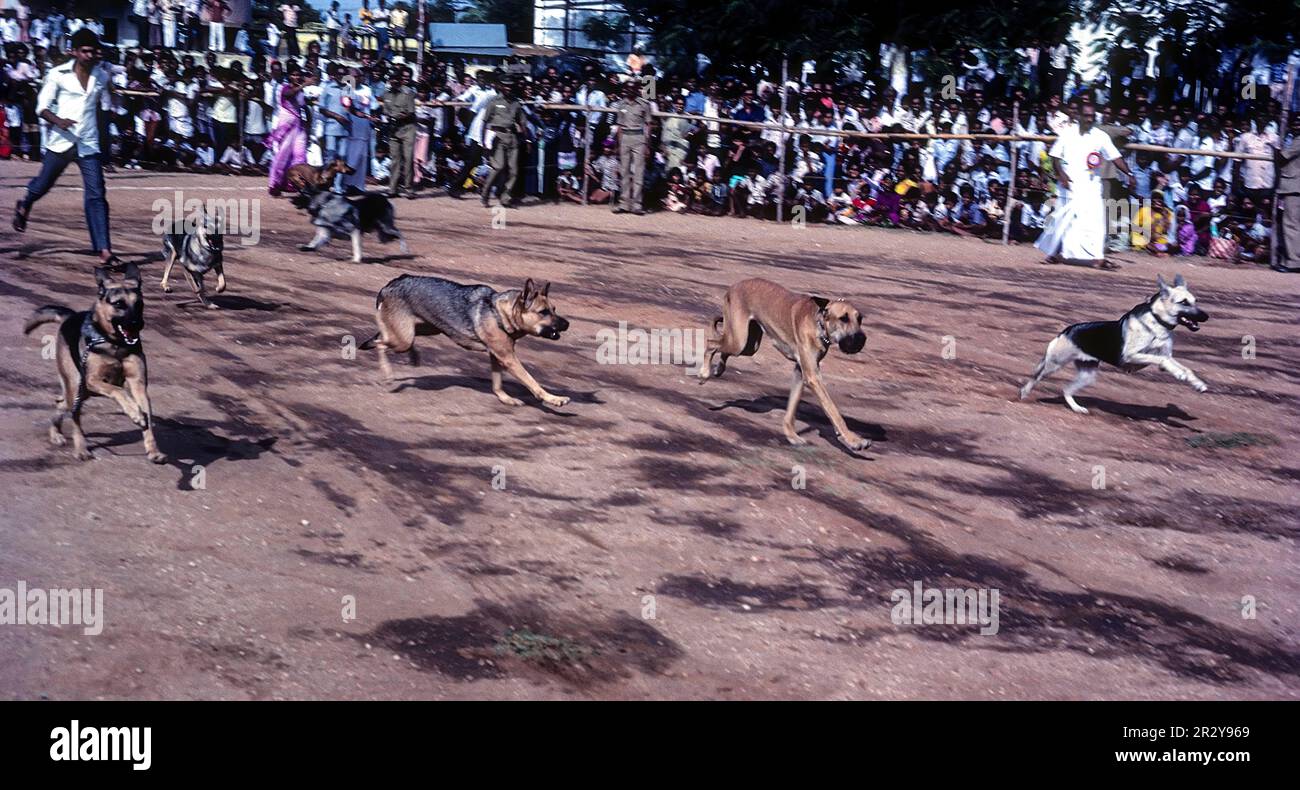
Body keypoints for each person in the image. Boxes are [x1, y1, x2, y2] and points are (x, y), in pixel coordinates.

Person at [12, 28, 119, 266]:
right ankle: (26, 203)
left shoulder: (101, 76)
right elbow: (42, 107)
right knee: (43, 185)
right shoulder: (58, 74)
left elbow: (105, 109)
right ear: (74, 52)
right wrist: (58, 121)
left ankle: (104, 250)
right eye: (85, 51)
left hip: (88, 143)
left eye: (93, 51)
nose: (90, 56)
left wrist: (106, 145)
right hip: (61, 141)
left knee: (97, 195)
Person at [1035, 97, 1134, 270]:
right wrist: (1062, 175)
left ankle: (1098, 258)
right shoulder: (1068, 133)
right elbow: (1055, 157)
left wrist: (1129, 173)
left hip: (1092, 186)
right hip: (1069, 185)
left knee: (1096, 221)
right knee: (1063, 219)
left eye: (1092, 116)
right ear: (1078, 115)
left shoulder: (1100, 136)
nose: (1089, 119)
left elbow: (1115, 157)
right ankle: (1055, 253)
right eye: (1086, 116)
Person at [267, 63, 313, 195]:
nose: (296, 77)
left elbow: (304, 107)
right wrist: (304, 84)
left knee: (300, 155)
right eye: (293, 75)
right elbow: (289, 95)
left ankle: (296, 183)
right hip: (286, 125)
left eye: (298, 75)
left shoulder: (301, 91)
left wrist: (308, 122)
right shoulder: (284, 87)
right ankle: (275, 184)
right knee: (282, 155)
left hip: (298, 125)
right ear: (289, 76)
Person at [610, 79, 654, 214]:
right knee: (624, 171)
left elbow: (648, 125)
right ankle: (624, 204)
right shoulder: (621, 104)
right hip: (625, 138)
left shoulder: (644, 104)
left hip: (639, 137)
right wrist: (617, 144)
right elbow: (620, 127)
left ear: (637, 89)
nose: (630, 90)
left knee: (639, 172)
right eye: (627, 88)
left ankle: (637, 204)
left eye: (632, 88)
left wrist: (647, 144)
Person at [479, 75, 524, 208]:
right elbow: (484, 122)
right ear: (500, 86)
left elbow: (522, 121)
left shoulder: (516, 103)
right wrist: (483, 142)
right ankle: (485, 193)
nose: (508, 88)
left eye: (510, 85)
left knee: (514, 171)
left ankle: (505, 197)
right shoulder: (494, 102)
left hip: (513, 138)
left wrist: (525, 139)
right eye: (505, 85)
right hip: (498, 136)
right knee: (498, 167)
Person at [382, 66, 417, 198]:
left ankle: (409, 188)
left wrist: (397, 117)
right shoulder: (386, 94)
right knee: (395, 159)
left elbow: (410, 112)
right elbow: (385, 111)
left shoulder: (408, 93)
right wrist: (388, 118)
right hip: (393, 130)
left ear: (400, 80)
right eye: (391, 79)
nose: (393, 81)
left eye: (396, 79)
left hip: (407, 129)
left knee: (408, 159)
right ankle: (393, 188)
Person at [1274, 137, 1300, 273]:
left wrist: (1275, 150)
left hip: (1295, 187)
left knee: (1291, 224)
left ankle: (1294, 261)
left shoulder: (1298, 141)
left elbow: (1282, 158)